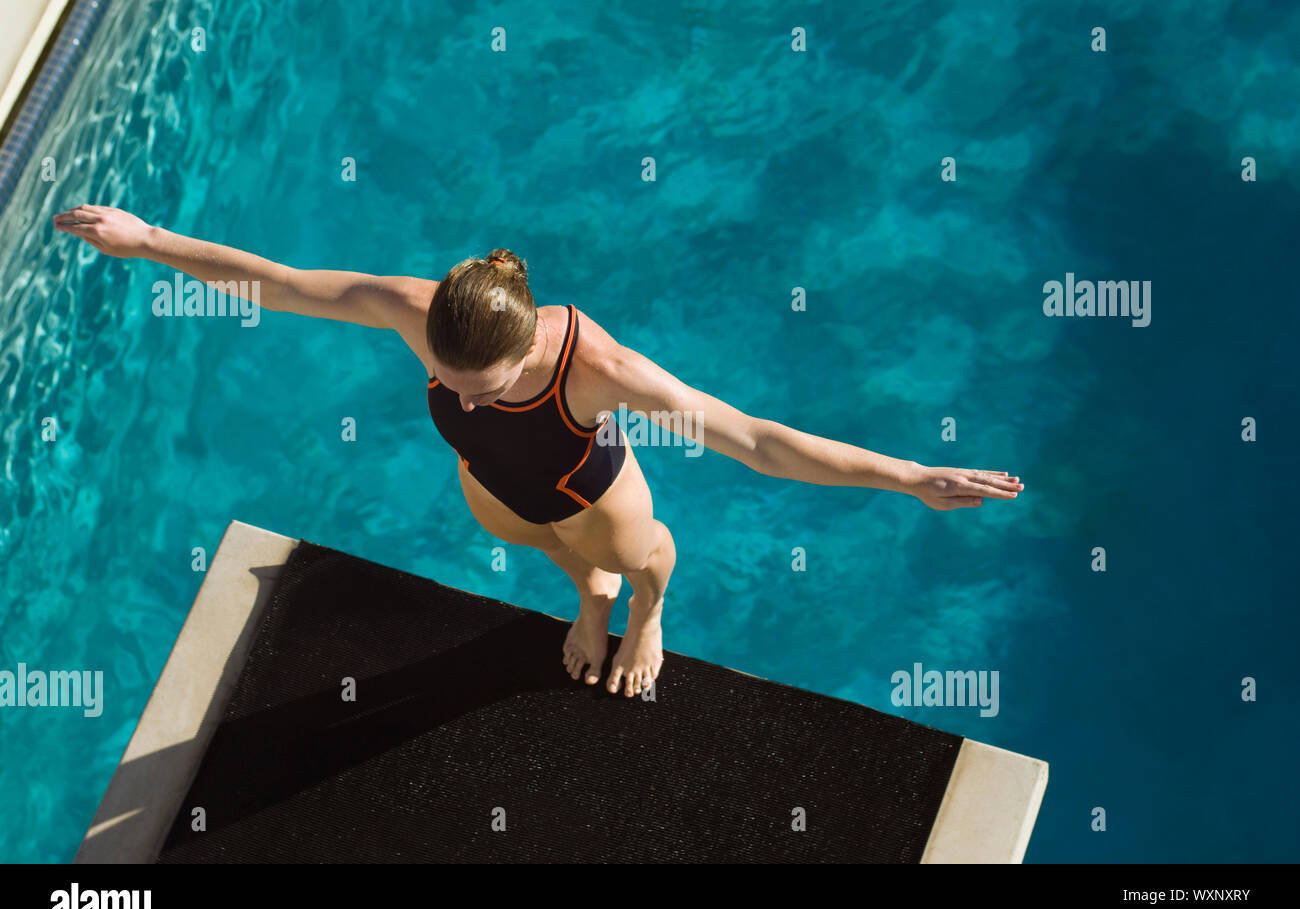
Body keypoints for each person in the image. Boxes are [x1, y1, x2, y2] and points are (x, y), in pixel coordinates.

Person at [53, 204, 1024, 697]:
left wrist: (907, 476)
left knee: (635, 558)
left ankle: (642, 614)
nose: (462, 394)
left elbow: (755, 440)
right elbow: (278, 281)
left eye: (483, 386)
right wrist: (149, 239)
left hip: (590, 487)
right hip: (495, 487)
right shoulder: (414, 307)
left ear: (530, 351)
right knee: (546, 550)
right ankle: (587, 597)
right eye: (448, 379)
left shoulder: (598, 368)